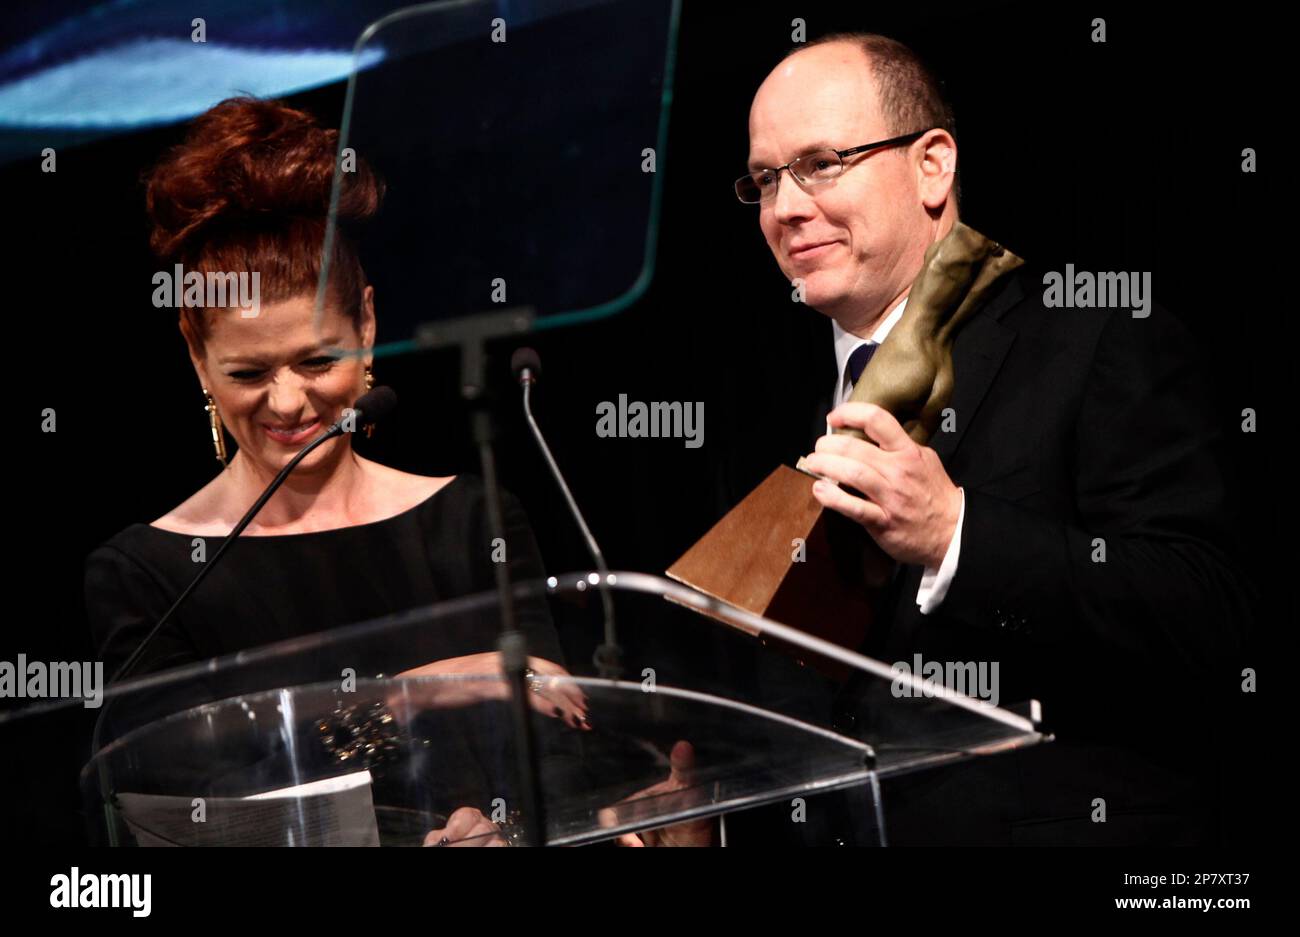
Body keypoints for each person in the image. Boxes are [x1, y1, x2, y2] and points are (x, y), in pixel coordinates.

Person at [716, 33, 1257, 845]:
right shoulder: (759, 413)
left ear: (933, 163)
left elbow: (1213, 614)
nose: (786, 206)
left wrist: (956, 535)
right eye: (765, 178)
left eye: (823, 162)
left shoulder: (1093, 334)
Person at [82, 97, 586, 844]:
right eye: (249, 372)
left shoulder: (470, 519)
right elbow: (180, 793)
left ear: (369, 326)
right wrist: (418, 692)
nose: (288, 401)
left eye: (318, 360)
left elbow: (560, 743)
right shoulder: (150, 576)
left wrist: (501, 833)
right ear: (198, 358)